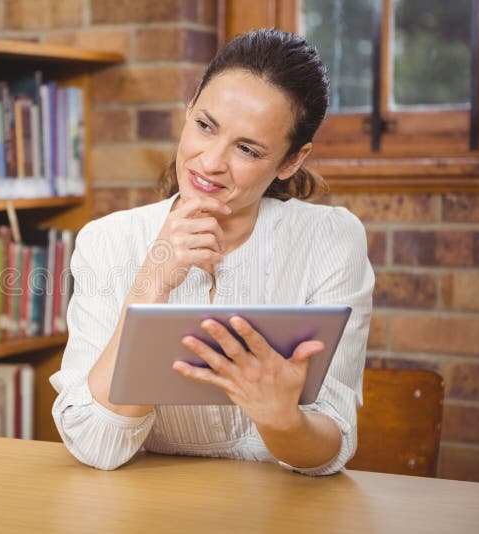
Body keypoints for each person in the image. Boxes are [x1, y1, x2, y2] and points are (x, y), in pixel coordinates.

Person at [50, 28, 374, 475]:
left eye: (247, 149)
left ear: (291, 161)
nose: (210, 162)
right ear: (190, 108)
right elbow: (96, 446)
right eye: (205, 126)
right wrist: (152, 282)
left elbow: (329, 447)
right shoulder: (107, 241)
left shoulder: (330, 241)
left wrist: (282, 420)